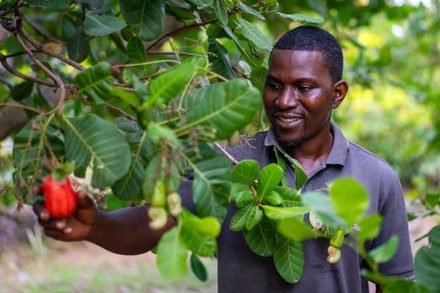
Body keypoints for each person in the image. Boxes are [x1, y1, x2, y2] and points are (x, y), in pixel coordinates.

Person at [33, 25, 414, 292]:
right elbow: (153, 223)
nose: (284, 101)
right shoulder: (227, 163)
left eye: (304, 87)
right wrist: (95, 225)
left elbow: (393, 284)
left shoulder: (376, 177)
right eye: (274, 85)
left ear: (337, 93)